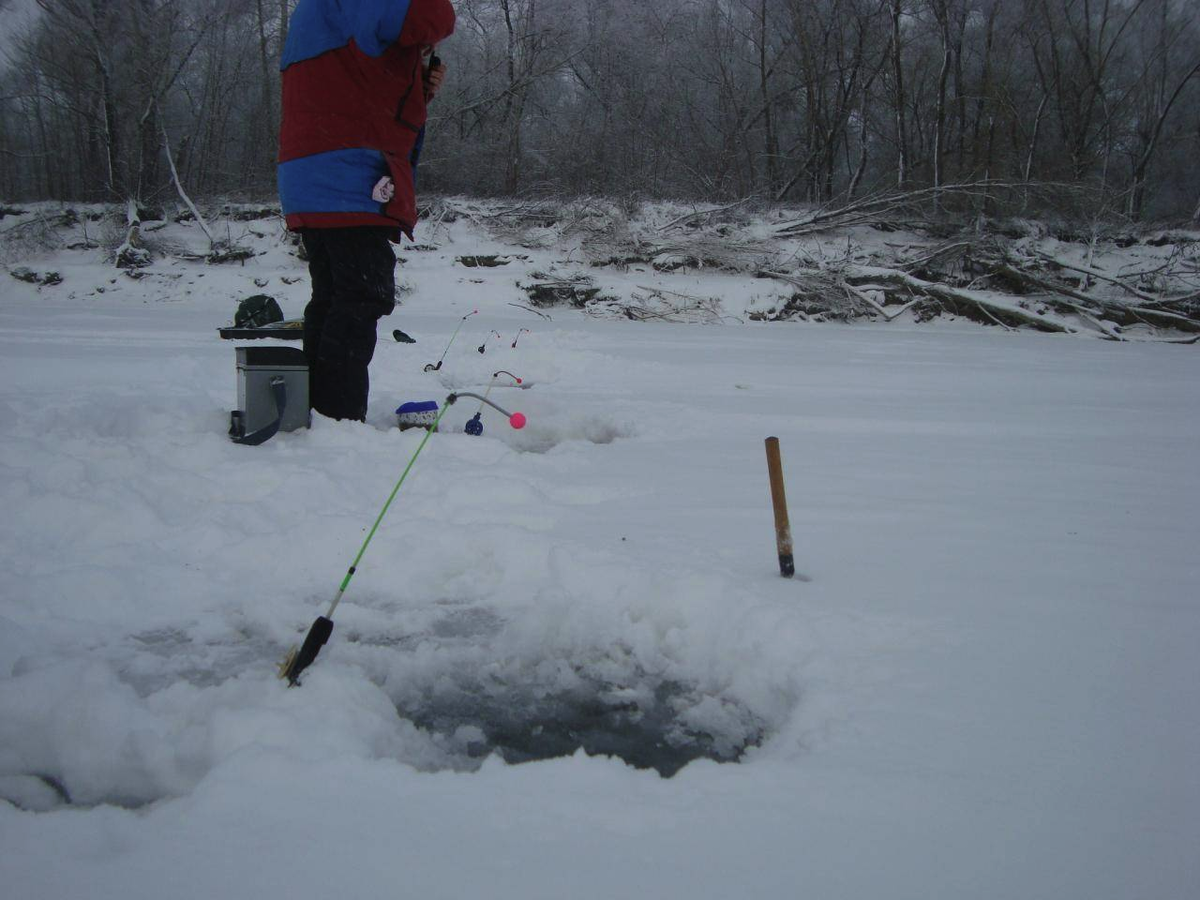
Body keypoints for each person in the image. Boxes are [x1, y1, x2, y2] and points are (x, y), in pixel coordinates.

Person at [278, 0, 455, 421]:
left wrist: (416, 85)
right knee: (361, 297)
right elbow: (431, 15)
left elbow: (356, 85)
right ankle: (337, 417)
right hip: (348, 176)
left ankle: (314, 415)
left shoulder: (321, 12)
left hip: (316, 176)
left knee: (333, 297)